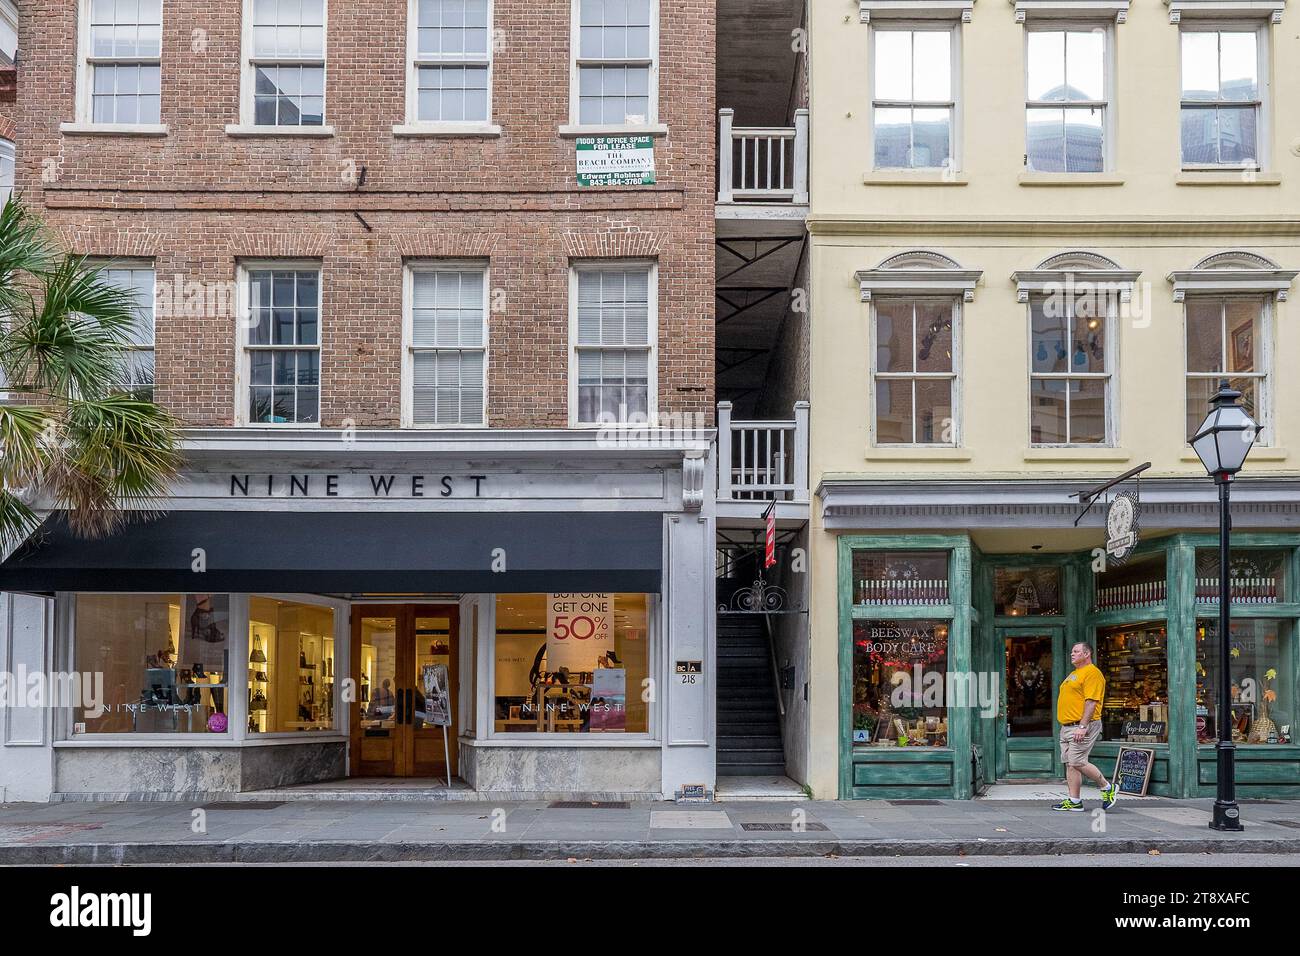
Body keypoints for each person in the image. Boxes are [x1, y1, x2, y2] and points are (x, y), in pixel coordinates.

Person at [1053, 642, 1119, 812]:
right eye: (1072, 651)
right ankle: (1074, 801)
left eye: (1076, 651)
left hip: (1082, 725)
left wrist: (1082, 726)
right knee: (1070, 764)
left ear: (1087, 654)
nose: (1072, 654)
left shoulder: (1092, 673)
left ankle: (1107, 787)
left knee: (1077, 761)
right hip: (1067, 726)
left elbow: (1091, 701)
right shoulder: (1075, 673)